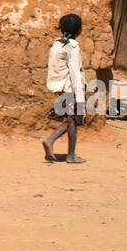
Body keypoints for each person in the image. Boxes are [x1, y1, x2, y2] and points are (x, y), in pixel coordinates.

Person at [42, 13, 87, 164]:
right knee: (72, 120)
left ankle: (68, 153)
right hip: (70, 89)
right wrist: (80, 100)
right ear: (78, 30)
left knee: (70, 120)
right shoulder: (72, 47)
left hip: (60, 87)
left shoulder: (57, 44)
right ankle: (60, 148)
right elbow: (75, 73)